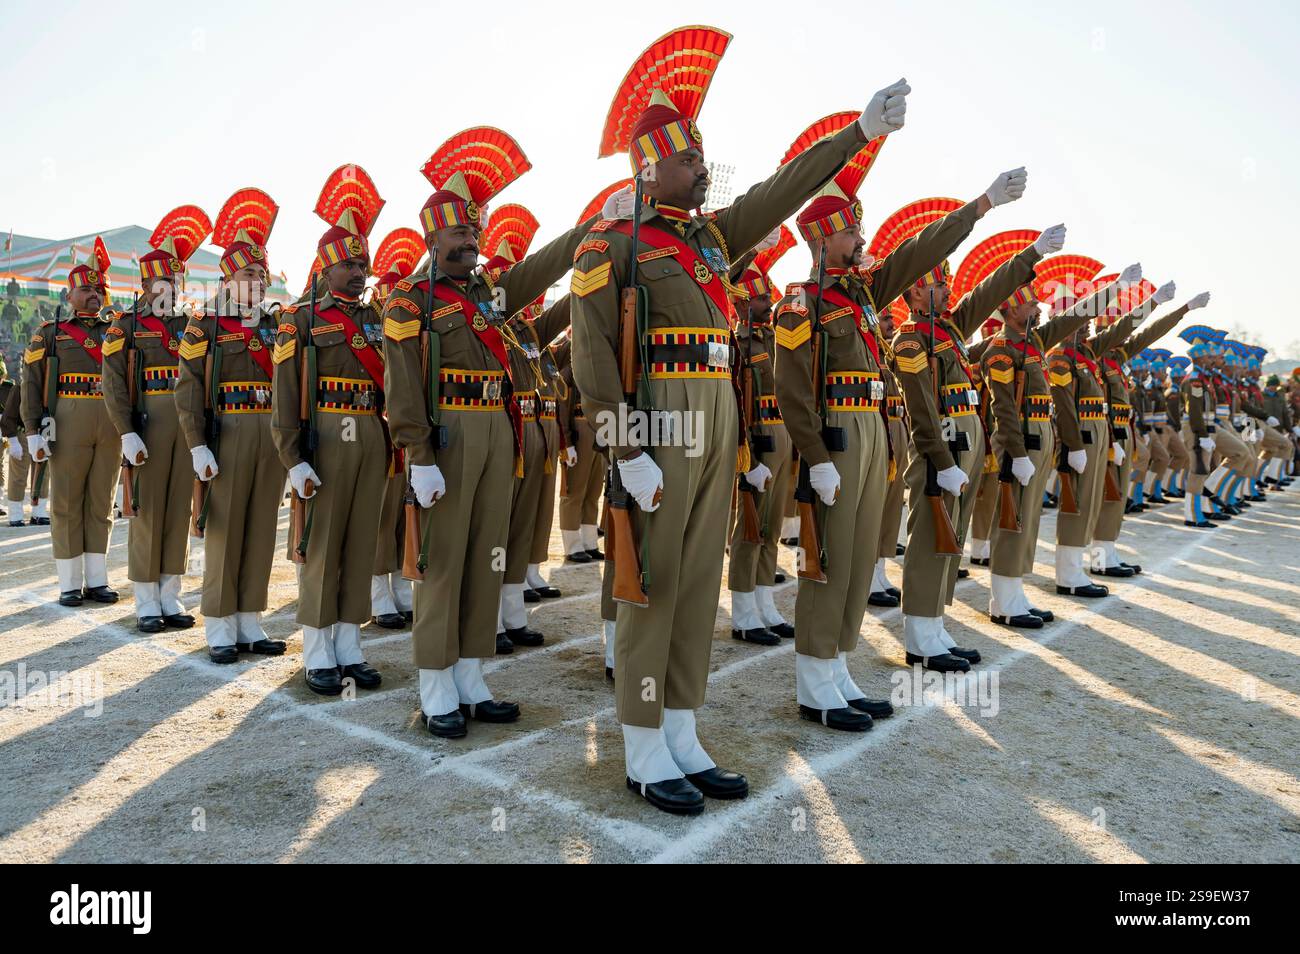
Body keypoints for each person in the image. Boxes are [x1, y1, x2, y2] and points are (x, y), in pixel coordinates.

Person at [572, 69, 911, 810]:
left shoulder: (711, 240)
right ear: (649, 167)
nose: (703, 169)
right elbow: (593, 357)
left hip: (716, 415)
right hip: (661, 419)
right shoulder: (611, 244)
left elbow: (782, 189)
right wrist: (625, 449)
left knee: (696, 588)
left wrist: (858, 134)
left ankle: (683, 729)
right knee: (652, 585)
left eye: (702, 157)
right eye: (689, 159)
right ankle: (642, 742)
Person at [384, 128, 595, 739]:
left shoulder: (489, 297)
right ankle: (435, 686)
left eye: (475, 231)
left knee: (486, 558)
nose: (471, 241)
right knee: (443, 563)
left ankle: (471, 676)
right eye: (460, 232)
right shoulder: (408, 303)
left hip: (497, 435)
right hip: (446, 439)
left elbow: (540, 268)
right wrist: (418, 455)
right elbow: (402, 387)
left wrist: (587, 231)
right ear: (432, 237)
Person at [272, 165, 387, 695]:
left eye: (363, 263)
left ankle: (349, 645)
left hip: (368, 433)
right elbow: (286, 396)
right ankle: (318, 651)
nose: (359, 272)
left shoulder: (376, 320)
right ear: (325, 265)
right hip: (325, 435)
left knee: (359, 543)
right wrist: (293, 458)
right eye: (348, 263)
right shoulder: (298, 320)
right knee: (321, 547)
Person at [176, 188, 288, 663]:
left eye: (262, 274)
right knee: (224, 532)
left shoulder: (274, 324)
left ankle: (250, 620)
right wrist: (197, 445)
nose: (259, 281)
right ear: (227, 278)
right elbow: (187, 390)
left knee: (261, 528)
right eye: (249, 273)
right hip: (227, 434)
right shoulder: (205, 326)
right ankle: (219, 624)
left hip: (269, 435)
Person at [102, 205, 211, 632]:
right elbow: (113, 384)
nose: (172, 286)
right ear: (146, 284)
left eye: (177, 280)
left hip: (185, 427)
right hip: (147, 424)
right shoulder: (123, 326)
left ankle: (171, 594)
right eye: (164, 280)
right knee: (146, 512)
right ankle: (146, 600)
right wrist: (126, 432)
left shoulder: (193, 323)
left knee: (178, 510)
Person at [20, 241, 119, 604]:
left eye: (99, 289)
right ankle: (68, 582)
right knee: (65, 501)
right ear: (69, 293)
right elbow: (31, 382)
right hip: (64, 417)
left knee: (101, 501)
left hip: (110, 420)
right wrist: (33, 429)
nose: (94, 295)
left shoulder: (117, 331)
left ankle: (97, 580)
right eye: (86, 289)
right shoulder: (49, 332)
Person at [727, 229, 795, 644]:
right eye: (758, 298)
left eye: (766, 298)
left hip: (782, 433)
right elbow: (736, 401)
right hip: (757, 439)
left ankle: (766, 601)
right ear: (742, 303)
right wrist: (746, 457)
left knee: (770, 528)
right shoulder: (739, 344)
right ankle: (743, 612)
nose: (767, 303)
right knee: (749, 527)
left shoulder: (775, 338)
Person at [368, 227, 424, 629]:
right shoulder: (369, 327)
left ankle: (401, 584)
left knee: (404, 513)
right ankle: (377, 591)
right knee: (379, 517)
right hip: (374, 432)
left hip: (400, 433)